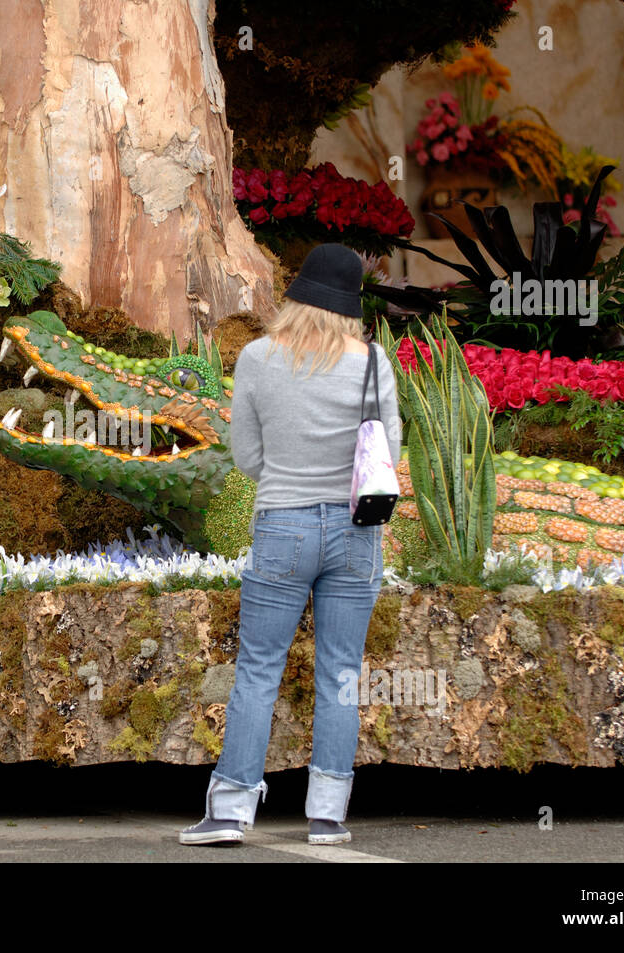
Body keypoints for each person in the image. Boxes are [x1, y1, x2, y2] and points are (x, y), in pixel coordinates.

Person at [179, 244, 401, 848]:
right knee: (340, 673)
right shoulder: (375, 362)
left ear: (294, 294)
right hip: (358, 533)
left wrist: (289, 471)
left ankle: (229, 813)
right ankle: (327, 817)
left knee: (258, 668)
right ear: (352, 307)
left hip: (284, 525)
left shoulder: (256, 358)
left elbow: (246, 456)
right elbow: (389, 458)